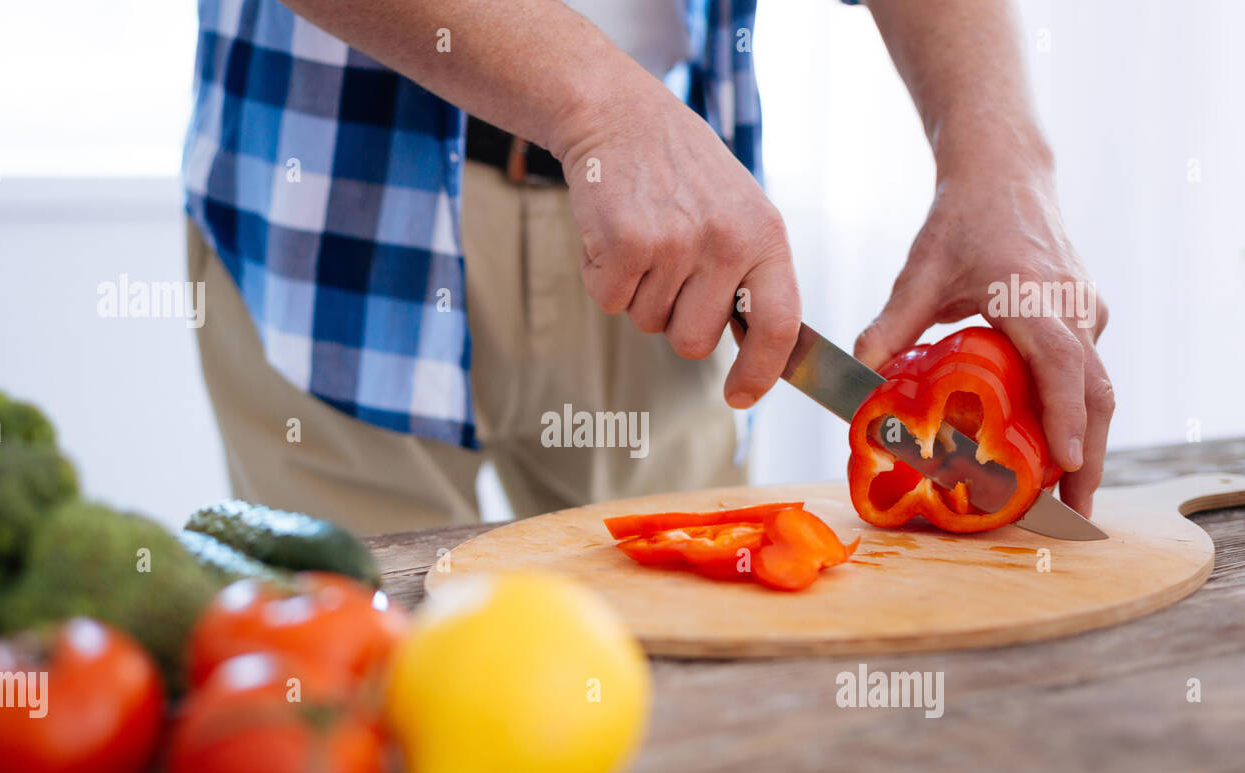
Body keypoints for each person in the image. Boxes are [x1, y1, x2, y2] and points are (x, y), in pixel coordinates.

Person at [184, 0, 1114, 535]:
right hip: (326, 210)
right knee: (353, 692)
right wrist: (599, 107)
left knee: (682, 696)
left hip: (668, 249)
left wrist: (1000, 156)